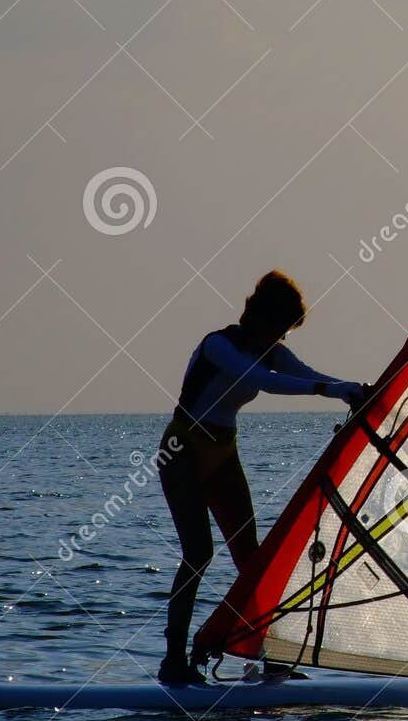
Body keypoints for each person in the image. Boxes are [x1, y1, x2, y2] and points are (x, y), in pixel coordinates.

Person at [156, 270, 365, 685]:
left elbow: (305, 374)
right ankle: (173, 661)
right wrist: (329, 390)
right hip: (181, 449)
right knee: (198, 555)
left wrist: (353, 389)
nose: (282, 338)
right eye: (280, 327)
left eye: (288, 331)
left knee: (251, 559)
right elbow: (260, 382)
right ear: (260, 317)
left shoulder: (274, 350)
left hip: (222, 449)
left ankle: (267, 657)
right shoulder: (219, 344)